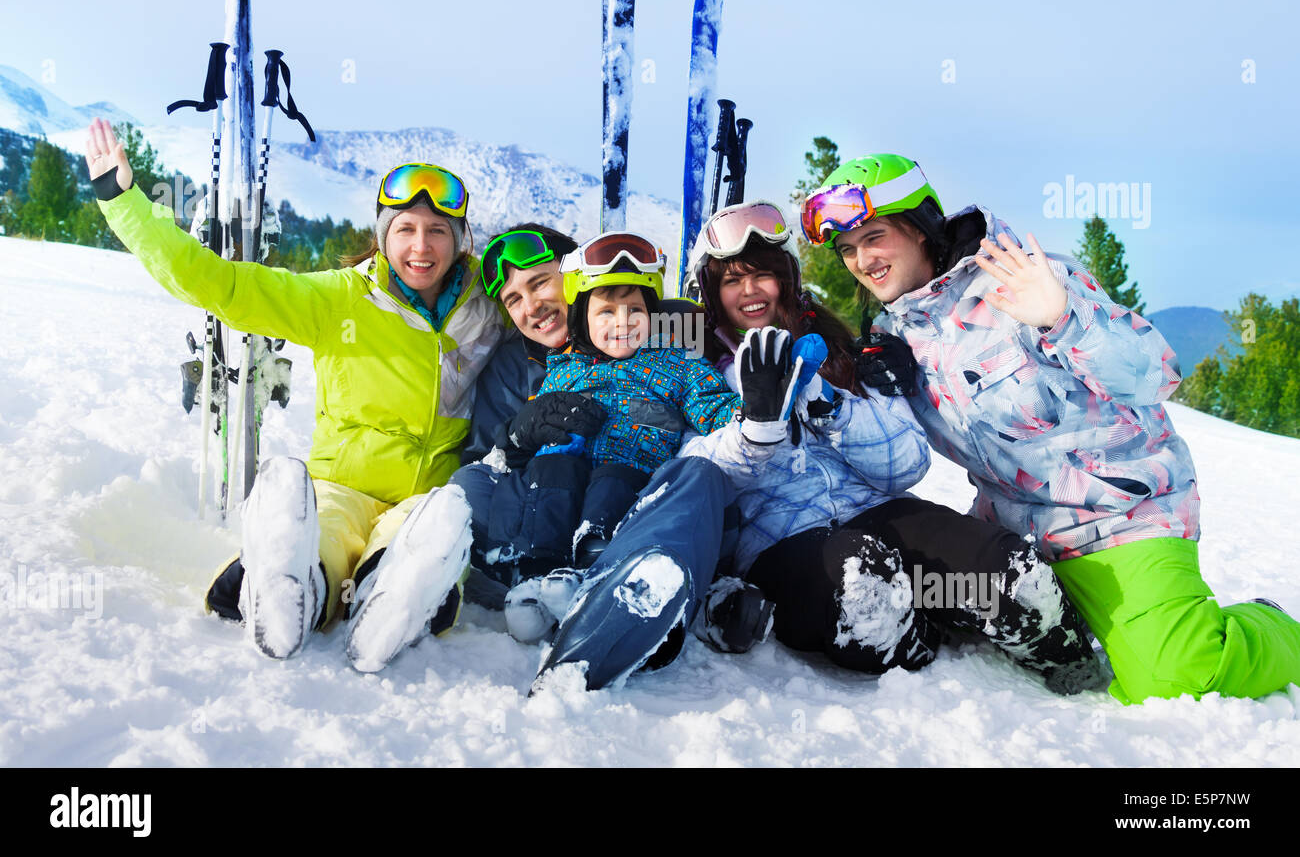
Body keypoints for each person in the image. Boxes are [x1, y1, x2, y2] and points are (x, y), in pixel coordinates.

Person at [806, 152, 1300, 704]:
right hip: (1018, 538)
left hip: (1118, 520)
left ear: (920, 228)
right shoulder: (892, 333)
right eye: (847, 249)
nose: (860, 259)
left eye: (874, 237)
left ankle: (1275, 629)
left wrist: (1063, 315)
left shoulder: (1023, 280)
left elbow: (1156, 372)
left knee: (1175, 675)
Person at [84, 119, 503, 671]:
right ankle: (291, 590)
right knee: (323, 534)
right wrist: (122, 201)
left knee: (427, 532)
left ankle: (392, 597)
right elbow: (223, 284)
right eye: (405, 229)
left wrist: (643, 311)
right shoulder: (339, 300)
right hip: (341, 485)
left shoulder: (490, 302)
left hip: (423, 498)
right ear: (383, 236)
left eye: (437, 232)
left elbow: (569, 299)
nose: (420, 247)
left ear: (460, 240)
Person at [679, 201, 1100, 689]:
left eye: (762, 276)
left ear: (787, 281)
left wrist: (827, 404)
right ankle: (912, 636)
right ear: (711, 293)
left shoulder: (841, 353)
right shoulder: (692, 369)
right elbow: (694, 475)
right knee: (859, 581)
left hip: (878, 511)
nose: (750, 291)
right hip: (781, 539)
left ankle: (1072, 665)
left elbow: (906, 464)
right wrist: (757, 427)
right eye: (732, 281)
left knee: (1001, 569)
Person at [452, 226, 741, 690]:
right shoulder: (514, 364)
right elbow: (489, 460)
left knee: (696, 477)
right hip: (547, 505)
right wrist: (517, 434)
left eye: (541, 284)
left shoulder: (673, 334)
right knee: (469, 484)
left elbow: (709, 398)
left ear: (576, 278)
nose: (532, 308)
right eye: (513, 300)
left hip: (635, 488)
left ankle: (642, 594)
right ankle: (528, 579)